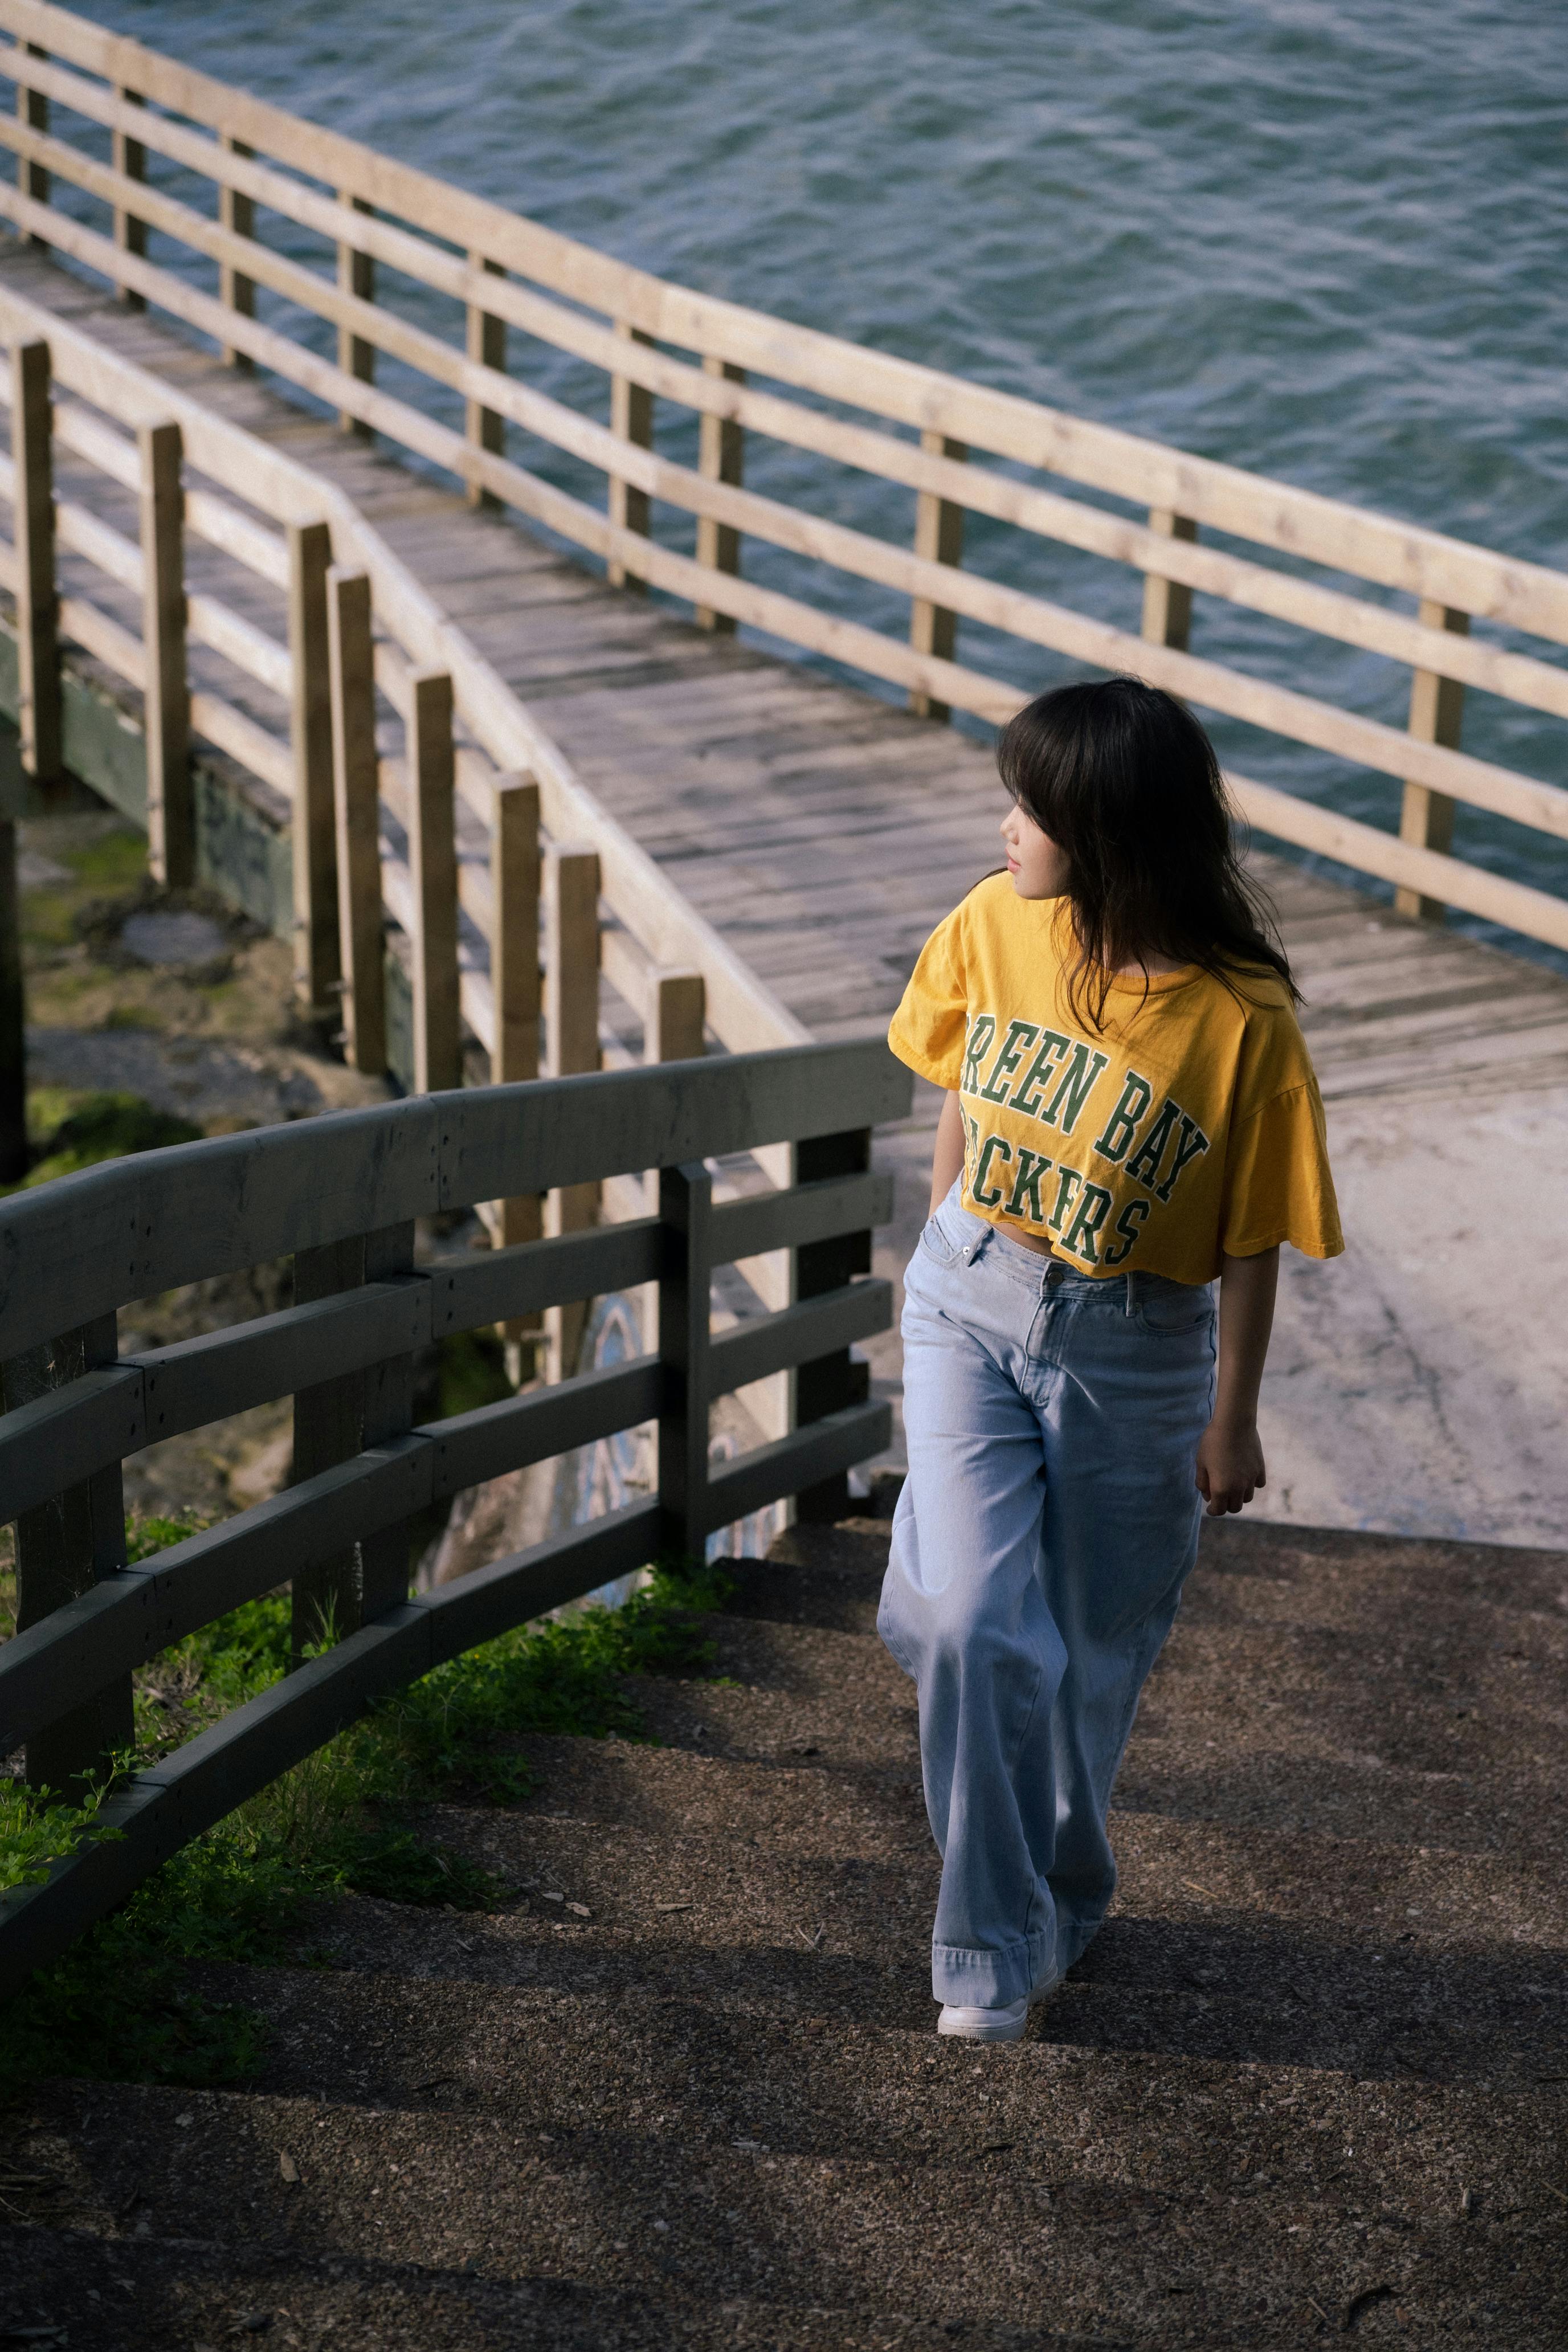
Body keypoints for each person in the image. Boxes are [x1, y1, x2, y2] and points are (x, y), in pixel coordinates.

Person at [880, 675, 1342, 2043]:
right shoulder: (992, 917)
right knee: (968, 1626)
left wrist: (1231, 1420)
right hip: (971, 1298)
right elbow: (959, 1076)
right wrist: (947, 1225)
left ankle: (1057, 1905)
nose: (1002, 824)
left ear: (1107, 830)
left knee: (1084, 1658)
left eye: (1027, 806)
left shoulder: (1241, 1018)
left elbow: (1253, 1234)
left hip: (1134, 1354)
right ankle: (984, 1958)